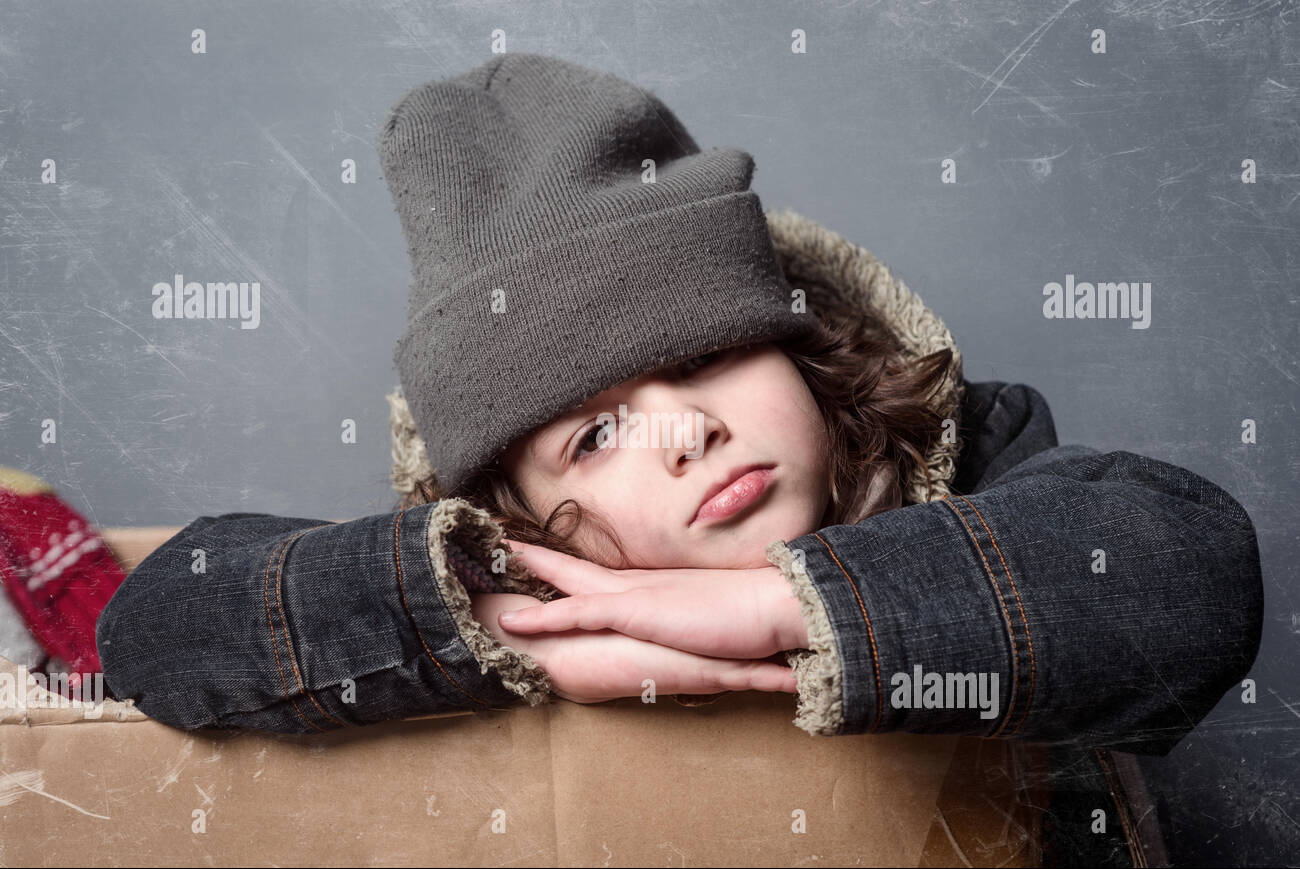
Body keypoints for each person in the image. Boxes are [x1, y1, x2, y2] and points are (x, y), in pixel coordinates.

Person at [95, 53, 1262, 763]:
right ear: (525, 513)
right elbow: (157, 630)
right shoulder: (506, 576)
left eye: (704, 355)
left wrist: (777, 608)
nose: (683, 429)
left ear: (798, 348)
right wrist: (513, 636)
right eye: (593, 434)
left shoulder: (985, 454)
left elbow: (1191, 575)